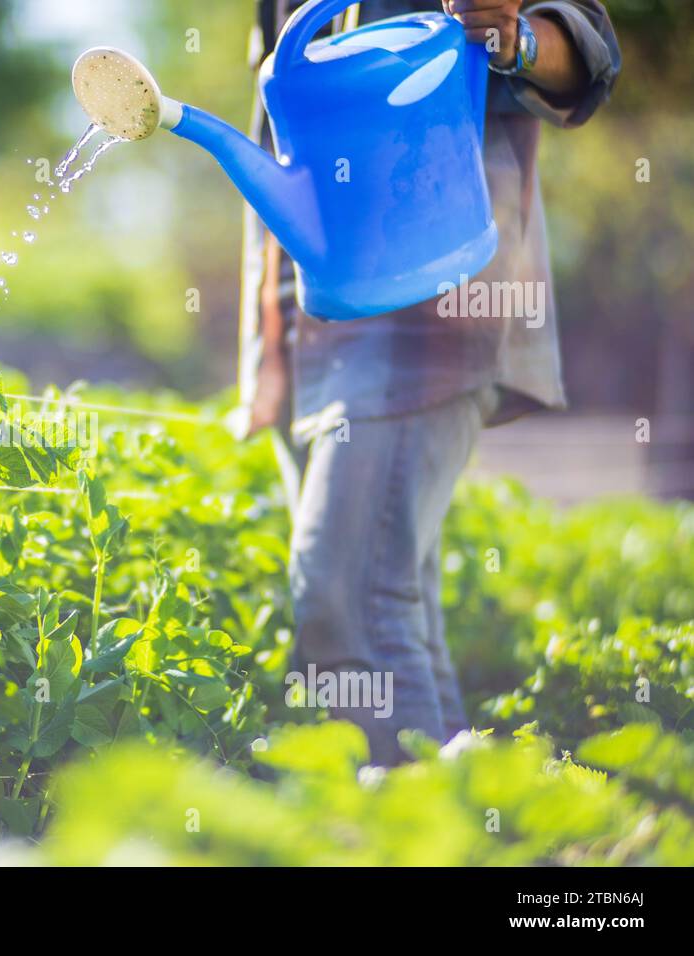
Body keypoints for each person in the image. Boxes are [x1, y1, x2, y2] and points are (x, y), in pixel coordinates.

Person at [243, 1, 622, 764]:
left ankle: (396, 835)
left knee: (348, 604)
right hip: (307, 319)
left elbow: (588, 53)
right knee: (393, 608)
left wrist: (510, 37)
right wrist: (267, 340)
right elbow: (274, 126)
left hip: (430, 306)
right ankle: (463, 825)